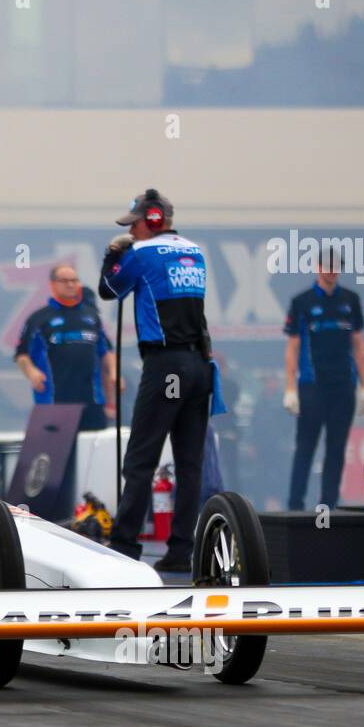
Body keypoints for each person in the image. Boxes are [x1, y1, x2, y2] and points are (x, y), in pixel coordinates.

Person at [98, 189, 212, 572]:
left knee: (140, 458)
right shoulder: (194, 251)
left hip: (166, 367)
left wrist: (114, 254)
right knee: (189, 462)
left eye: (134, 225)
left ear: (153, 219)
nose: (132, 232)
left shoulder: (141, 254)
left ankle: (125, 547)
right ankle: (182, 550)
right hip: (199, 366)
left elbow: (109, 289)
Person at [282, 247, 364, 510]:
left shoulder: (351, 300)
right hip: (312, 385)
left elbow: (358, 346)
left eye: (335, 266)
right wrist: (290, 387)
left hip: (343, 385)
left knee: (336, 448)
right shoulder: (302, 302)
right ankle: (295, 504)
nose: (331, 270)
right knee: (306, 447)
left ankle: (328, 504)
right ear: (317, 267)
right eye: (326, 265)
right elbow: (293, 347)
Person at [14, 264, 118, 431]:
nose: (70, 285)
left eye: (74, 280)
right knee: (57, 453)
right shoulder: (39, 319)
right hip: (54, 402)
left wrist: (114, 372)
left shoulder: (91, 317)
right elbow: (22, 355)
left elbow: (106, 351)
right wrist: (31, 373)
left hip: (92, 401)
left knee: (91, 450)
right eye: (64, 281)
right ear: (53, 285)